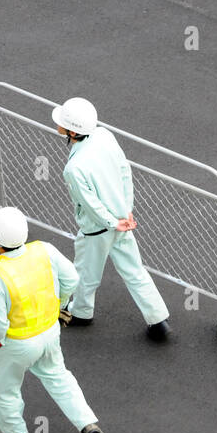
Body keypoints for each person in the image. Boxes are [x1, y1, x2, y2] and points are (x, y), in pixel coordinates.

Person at [0, 206, 105, 433]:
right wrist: (59, 306)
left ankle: (13, 432)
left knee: (6, 389)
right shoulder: (44, 250)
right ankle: (88, 423)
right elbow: (71, 279)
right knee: (60, 378)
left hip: (16, 343)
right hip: (49, 332)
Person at [52, 96, 171, 340]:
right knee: (134, 271)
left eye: (62, 123)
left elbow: (90, 204)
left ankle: (81, 313)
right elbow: (124, 170)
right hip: (121, 219)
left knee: (86, 273)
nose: (58, 125)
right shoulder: (105, 136)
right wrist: (126, 211)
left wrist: (111, 222)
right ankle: (158, 320)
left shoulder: (74, 169)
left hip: (98, 229)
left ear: (72, 132)